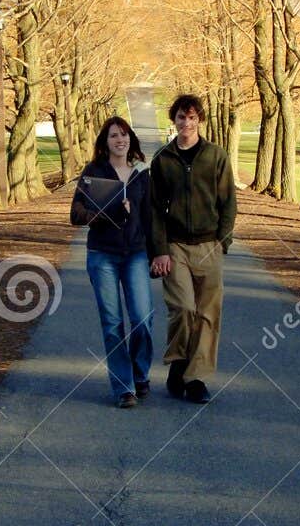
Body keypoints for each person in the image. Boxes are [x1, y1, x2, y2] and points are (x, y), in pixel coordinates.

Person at [149, 93, 237, 405]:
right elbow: (155, 209)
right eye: (181, 118)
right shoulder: (163, 160)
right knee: (184, 308)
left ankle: (196, 378)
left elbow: (228, 201)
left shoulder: (216, 156)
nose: (186, 123)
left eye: (192, 117)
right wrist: (159, 250)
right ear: (173, 121)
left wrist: (222, 241)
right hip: (175, 246)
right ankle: (178, 362)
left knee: (208, 313)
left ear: (199, 119)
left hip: (209, 245)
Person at [70, 117, 154, 409]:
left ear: (131, 139)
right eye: (114, 136)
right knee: (112, 323)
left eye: (124, 135)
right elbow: (76, 215)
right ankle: (124, 388)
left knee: (142, 318)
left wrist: (159, 254)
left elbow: (150, 219)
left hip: (136, 254)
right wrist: (108, 210)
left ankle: (140, 373)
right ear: (105, 142)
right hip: (102, 255)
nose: (120, 140)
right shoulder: (93, 172)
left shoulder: (142, 173)